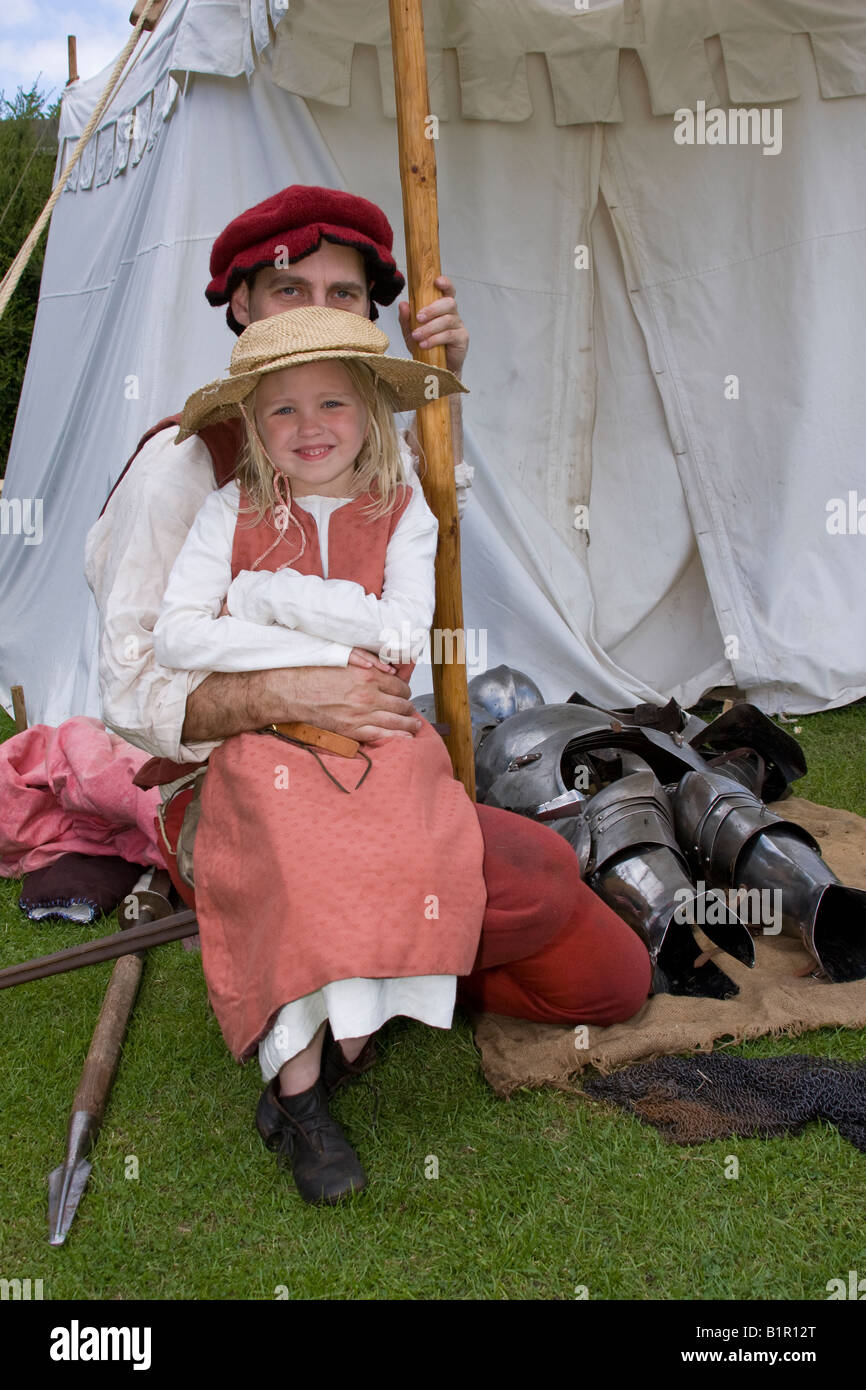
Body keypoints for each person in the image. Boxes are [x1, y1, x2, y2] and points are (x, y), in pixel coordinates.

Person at [84, 184, 651, 1160]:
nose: (313, 309)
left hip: (373, 768)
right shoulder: (179, 471)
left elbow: (417, 548)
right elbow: (129, 693)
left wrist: (441, 383)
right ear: (240, 309)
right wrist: (282, 691)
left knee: (598, 970)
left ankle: (383, 973)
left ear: (371, 313)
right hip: (230, 788)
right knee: (534, 896)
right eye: (286, 288)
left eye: (342, 294)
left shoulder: (354, 432)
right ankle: (328, 1015)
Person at [153, 307, 485, 1203]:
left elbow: (401, 636)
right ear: (253, 428)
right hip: (266, 746)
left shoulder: (404, 511)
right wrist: (330, 652)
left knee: (416, 847)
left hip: (381, 736)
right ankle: (303, 1102)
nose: (309, 429)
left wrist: (263, 599)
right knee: (295, 864)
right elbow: (182, 637)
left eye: (333, 403)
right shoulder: (232, 511)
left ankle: (345, 1040)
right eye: (282, 412)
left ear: (374, 413)